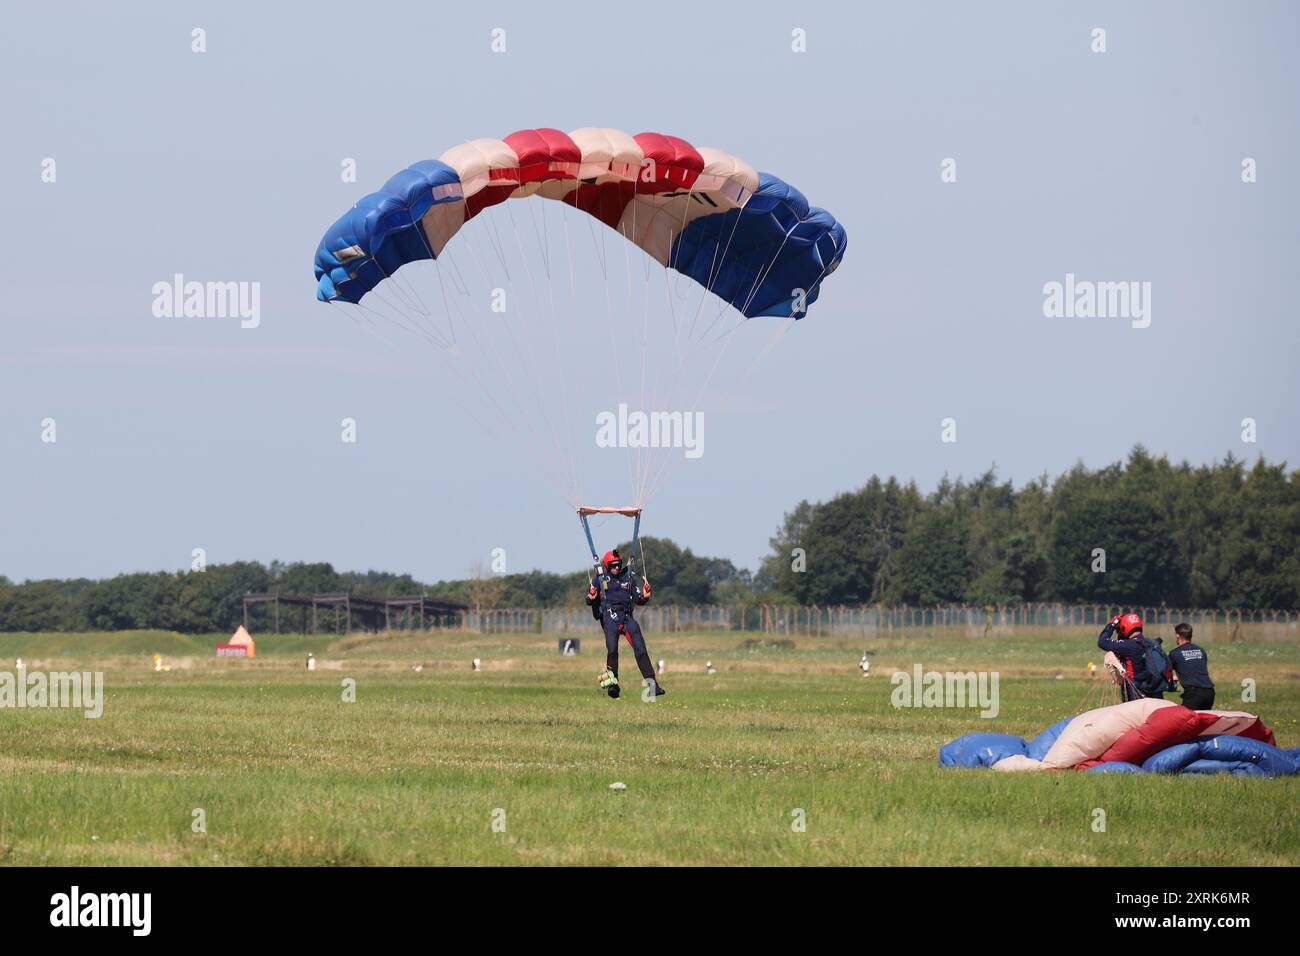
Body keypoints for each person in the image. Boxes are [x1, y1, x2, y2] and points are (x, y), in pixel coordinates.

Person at [585, 549, 664, 699]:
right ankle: (613, 685)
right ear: (607, 566)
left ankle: (652, 685)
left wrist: (645, 596)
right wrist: (591, 596)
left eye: (618, 565)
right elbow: (589, 599)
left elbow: (639, 599)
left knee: (641, 649)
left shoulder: (628, 579)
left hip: (627, 618)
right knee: (612, 649)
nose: (616, 568)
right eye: (613, 565)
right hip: (610, 618)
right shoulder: (600, 579)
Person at [1097, 613, 1171, 702]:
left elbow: (1102, 641)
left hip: (1136, 696)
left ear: (1124, 628)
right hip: (1156, 695)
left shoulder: (1129, 645)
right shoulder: (1151, 643)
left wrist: (1112, 624)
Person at [1168, 622, 1215, 710]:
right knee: (1203, 722)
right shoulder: (1201, 651)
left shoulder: (1175, 653)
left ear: (1178, 636)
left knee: (1184, 721)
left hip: (1194, 694)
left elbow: (1167, 672)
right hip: (1209, 692)